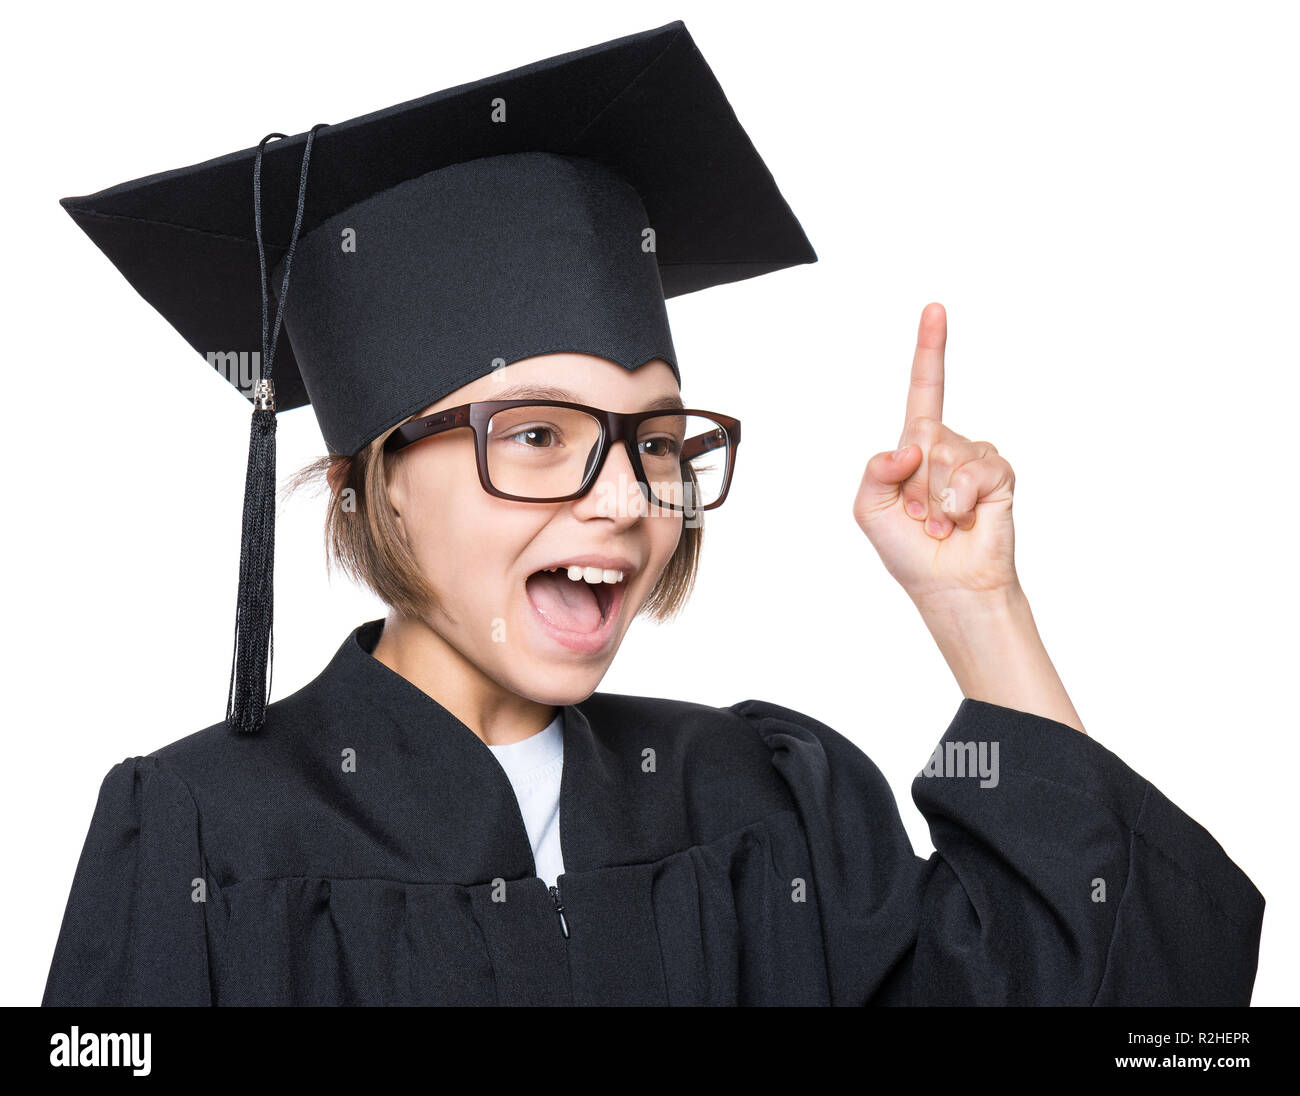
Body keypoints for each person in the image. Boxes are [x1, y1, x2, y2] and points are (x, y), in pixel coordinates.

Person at [42, 20, 1263, 1007]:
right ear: (374, 476)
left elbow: (1132, 1001)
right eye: (534, 435)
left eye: (658, 438)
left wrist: (975, 606)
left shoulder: (761, 802)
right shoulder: (205, 838)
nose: (626, 497)